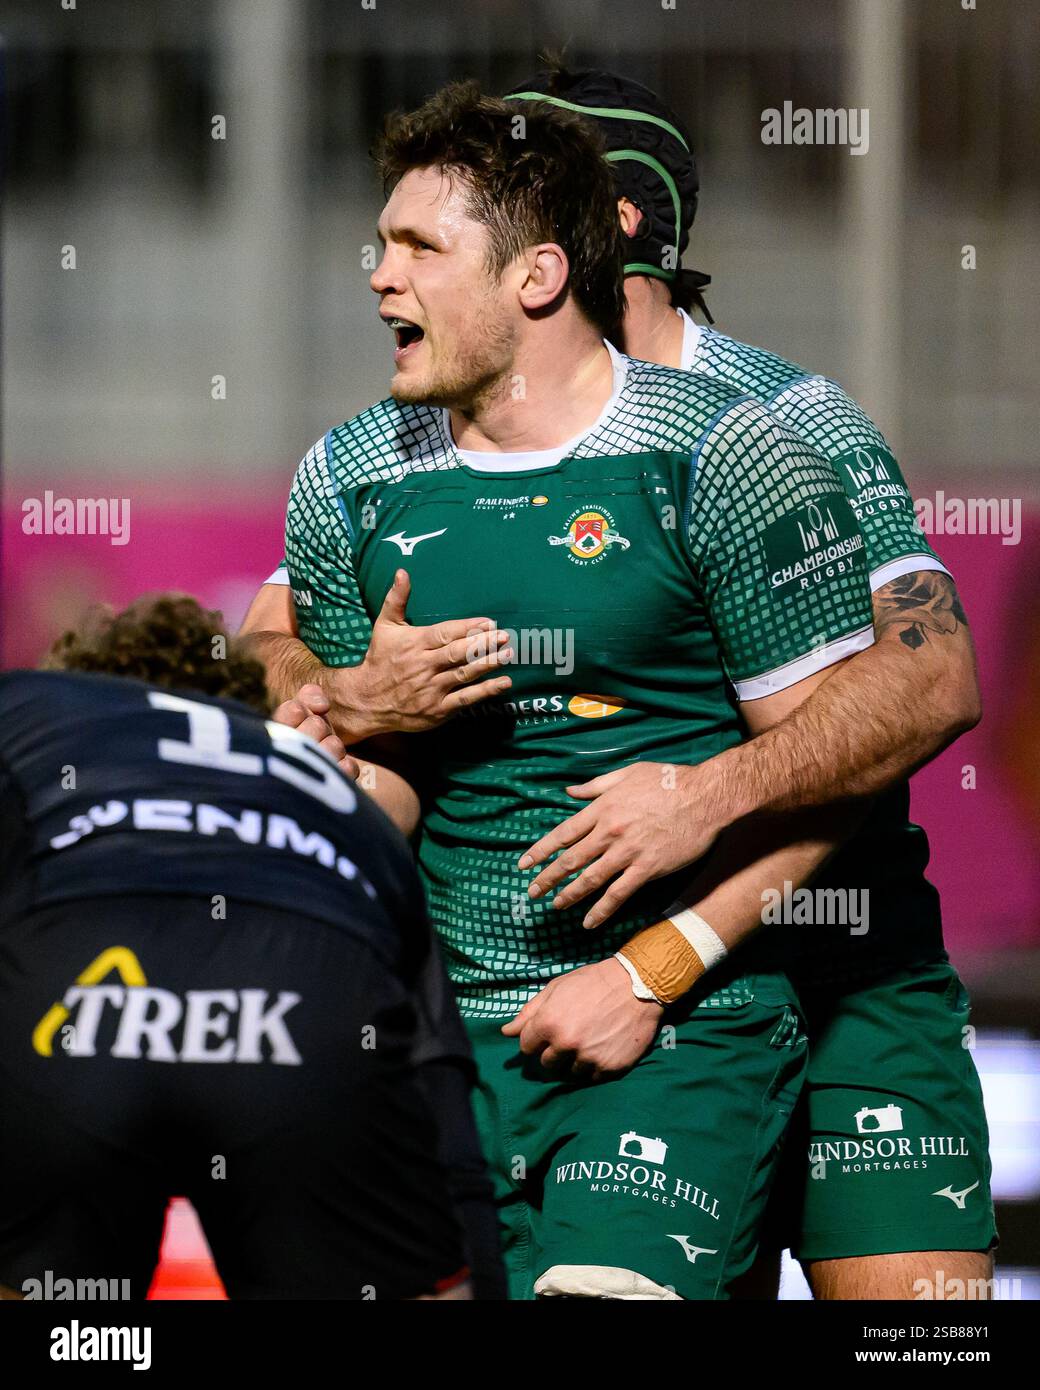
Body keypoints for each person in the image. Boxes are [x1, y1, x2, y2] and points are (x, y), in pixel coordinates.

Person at [244, 64, 997, 1300]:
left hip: (830, 960)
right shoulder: (386, 453)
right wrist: (343, 695)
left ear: (585, 229)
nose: (381, 271)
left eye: (428, 235)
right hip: (559, 1002)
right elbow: (279, 646)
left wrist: (702, 805)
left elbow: (925, 679)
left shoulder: (773, 425)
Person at [0, 594, 497, 1301]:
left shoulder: (31, 707)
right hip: (307, 1020)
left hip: (75, 1009)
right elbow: (438, 1080)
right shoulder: (335, 799)